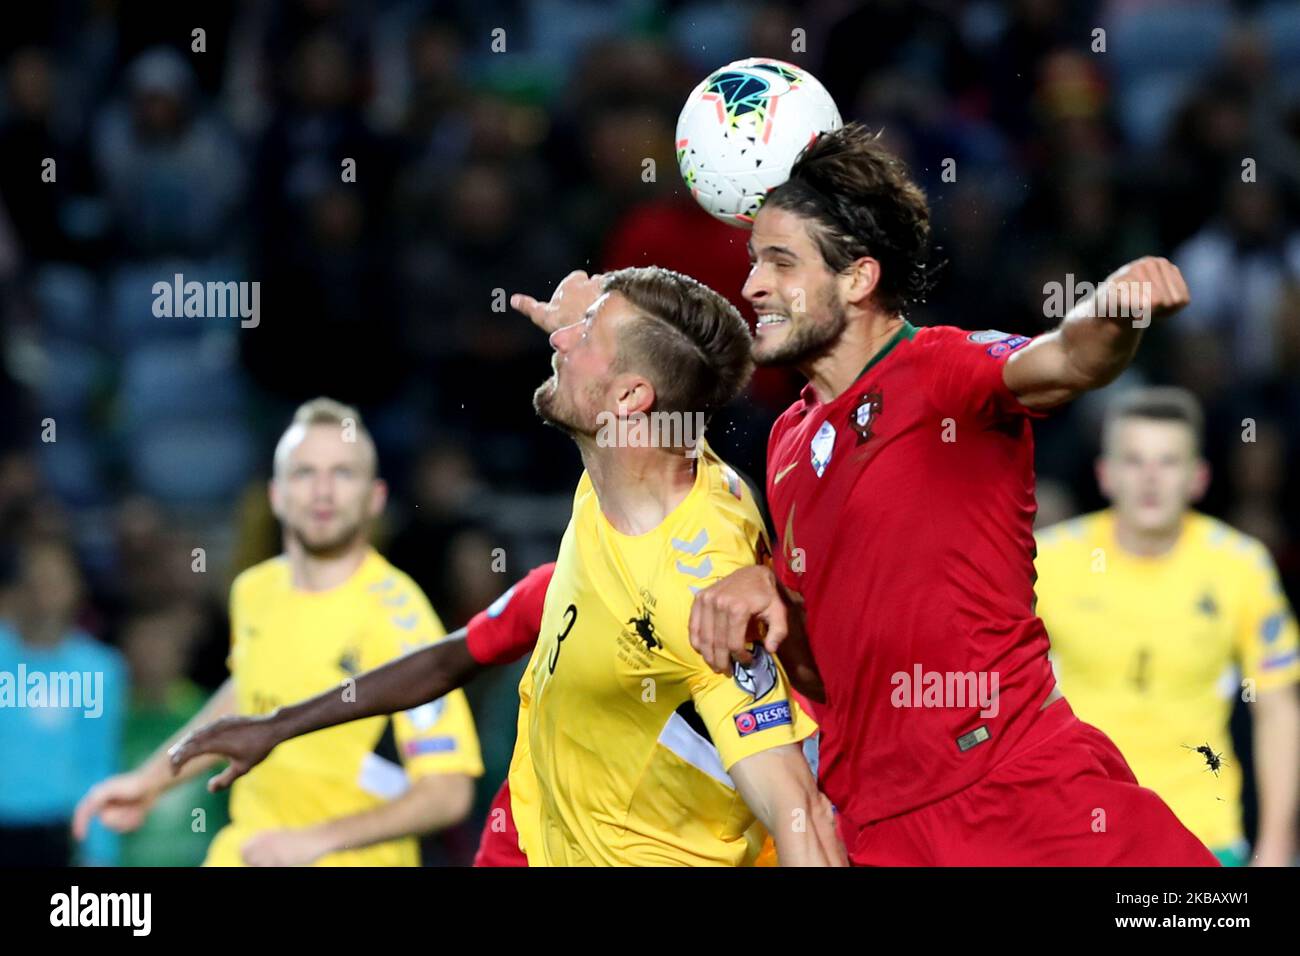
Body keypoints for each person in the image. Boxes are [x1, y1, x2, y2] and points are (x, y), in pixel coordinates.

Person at [172, 268, 842, 867]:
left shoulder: (700, 597)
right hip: (534, 829)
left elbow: (799, 813)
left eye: (584, 337)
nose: (557, 342)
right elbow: (684, 355)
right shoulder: (644, 456)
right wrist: (277, 726)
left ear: (630, 398)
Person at [688, 123, 1218, 865]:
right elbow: (821, 663)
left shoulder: (939, 370)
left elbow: (1065, 359)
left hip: (1022, 792)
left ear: (858, 278)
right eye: (753, 262)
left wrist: (1117, 305)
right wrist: (766, 590)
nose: (751, 286)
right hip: (880, 830)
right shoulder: (784, 444)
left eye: (780, 261)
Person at [74, 398, 483, 866]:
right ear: (275, 496)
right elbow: (248, 693)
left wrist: (314, 841)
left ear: (376, 497)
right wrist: (149, 782)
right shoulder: (254, 590)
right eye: (305, 473)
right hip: (248, 850)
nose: (323, 491)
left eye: (343, 473)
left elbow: (448, 791)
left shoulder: (399, 618)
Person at [1035, 387, 1300, 866]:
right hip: (1075, 837)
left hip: (1202, 836)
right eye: (1134, 461)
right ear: (1105, 473)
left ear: (1198, 477)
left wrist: (1278, 846)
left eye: (1168, 462)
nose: (1151, 479)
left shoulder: (1240, 565)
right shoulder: (1046, 562)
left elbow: (1277, 707)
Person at [0, 537, 126, 866]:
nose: (44, 595)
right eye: (34, 582)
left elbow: (98, 762)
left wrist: (99, 852)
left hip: (58, 833)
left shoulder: (100, 668)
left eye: (55, 582)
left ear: (76, 589)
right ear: (15, 591)